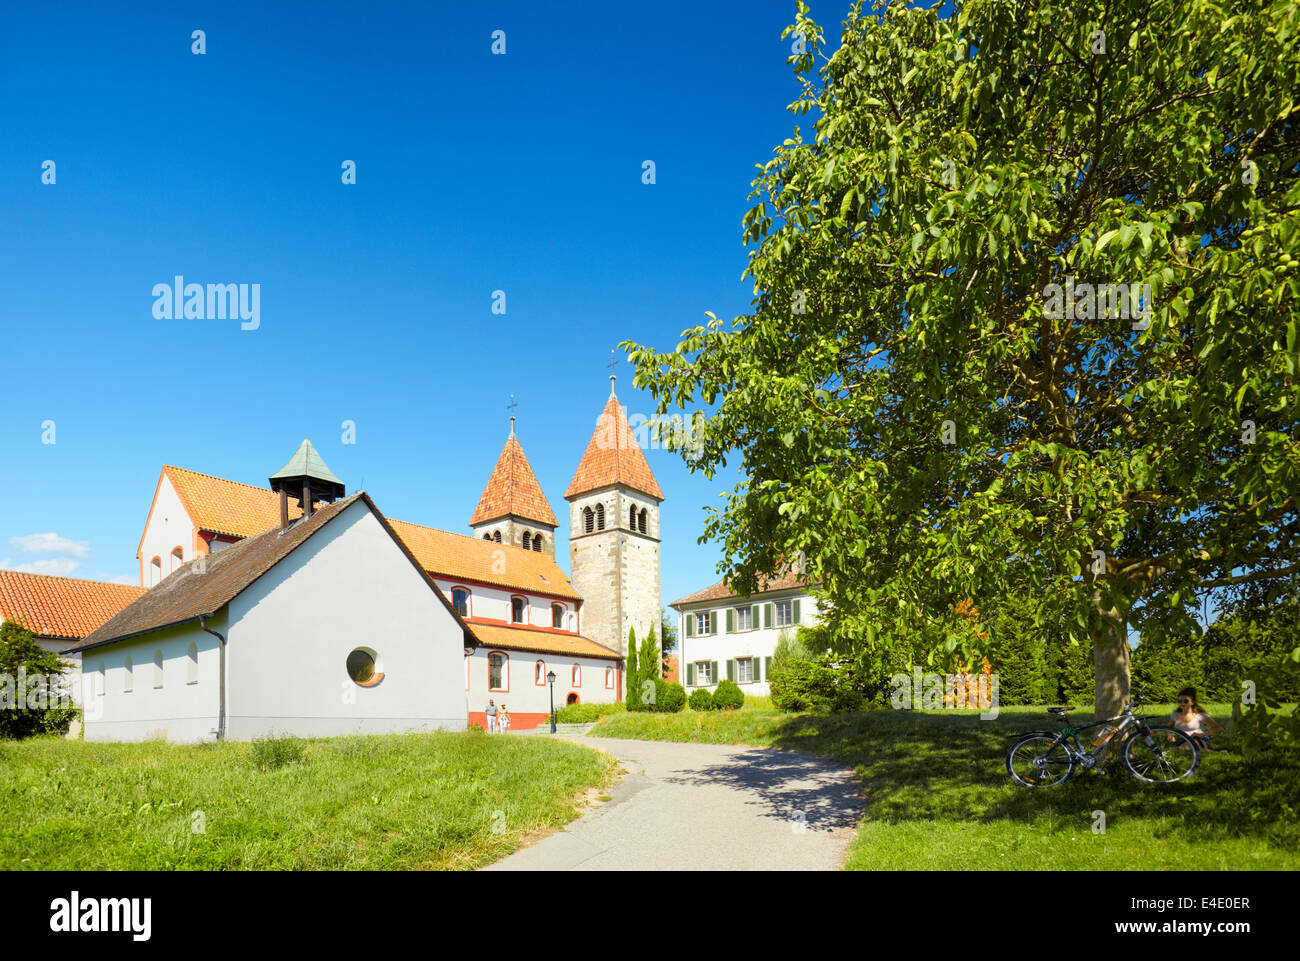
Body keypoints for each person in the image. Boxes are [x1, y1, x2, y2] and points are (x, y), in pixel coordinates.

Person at [1170, 687, 1223, 751]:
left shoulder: (1200, 715)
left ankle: (1210, 751)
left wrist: (1201, 734)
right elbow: (1170, 726)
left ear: (1192, 702)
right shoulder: (1175, 714)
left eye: (1185, 701)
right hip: (1182, 740)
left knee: (1184, 748)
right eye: (1180, 701)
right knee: (1179, 749)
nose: (1182, 703)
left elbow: (1218, 728)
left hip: (1198, 739)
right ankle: (1211, 751)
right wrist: (1170, 735)